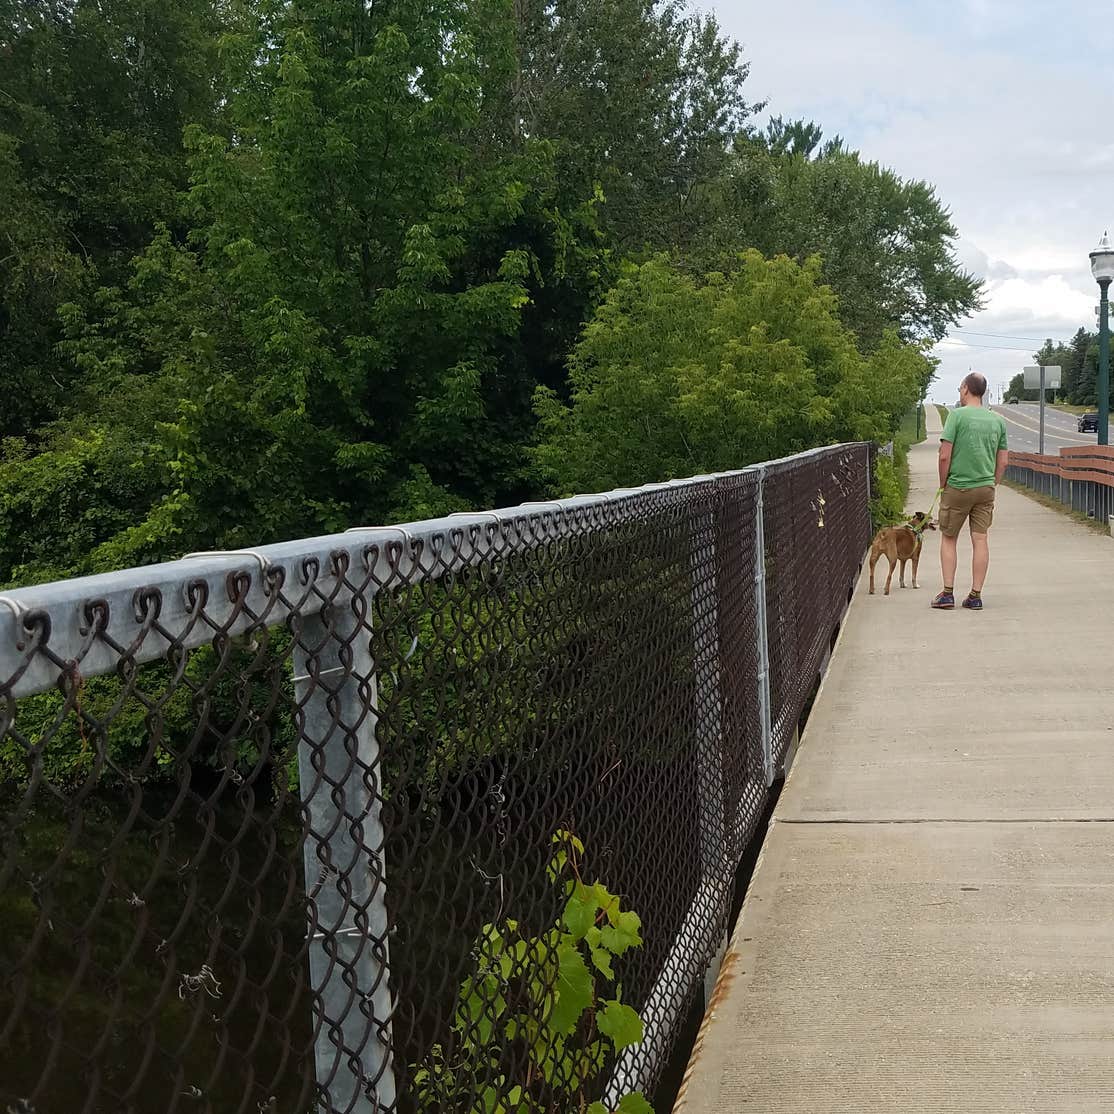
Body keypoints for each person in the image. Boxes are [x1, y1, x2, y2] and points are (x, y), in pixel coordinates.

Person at [931, 372, 1008, 611]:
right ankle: (975, 595)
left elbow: (945, 455)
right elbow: (1003, 461)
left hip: (958, 486)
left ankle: (947, 594)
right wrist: (992, 483)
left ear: (965, 389)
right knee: (980, 539)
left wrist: (943, 484)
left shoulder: (956, 416)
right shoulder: (997, 421)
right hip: (985, 488)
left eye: (959, 388)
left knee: (949, 538)